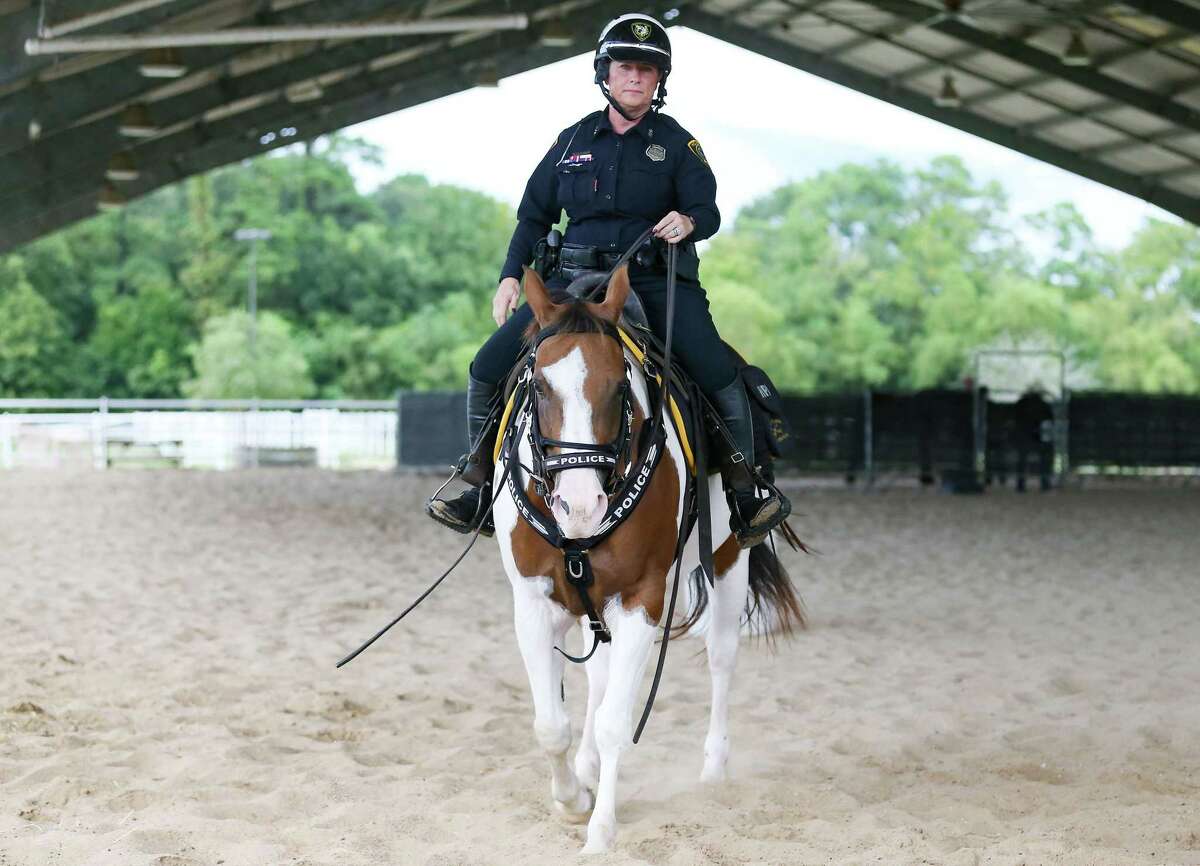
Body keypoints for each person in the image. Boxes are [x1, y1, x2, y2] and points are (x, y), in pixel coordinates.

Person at [427, 13, 789, 547]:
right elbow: (534, 216)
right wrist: (509, 276)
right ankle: (477, 482)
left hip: (653, 280)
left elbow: (706, 211)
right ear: (606, 73)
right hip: (570, 282)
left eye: (647, 70)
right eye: (626, 68)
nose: (636, 78)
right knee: (485, 366)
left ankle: (744, 487)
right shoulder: (571, 141)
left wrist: (689, 222)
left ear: (659, 80)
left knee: (714, 367)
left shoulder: (678, 145)